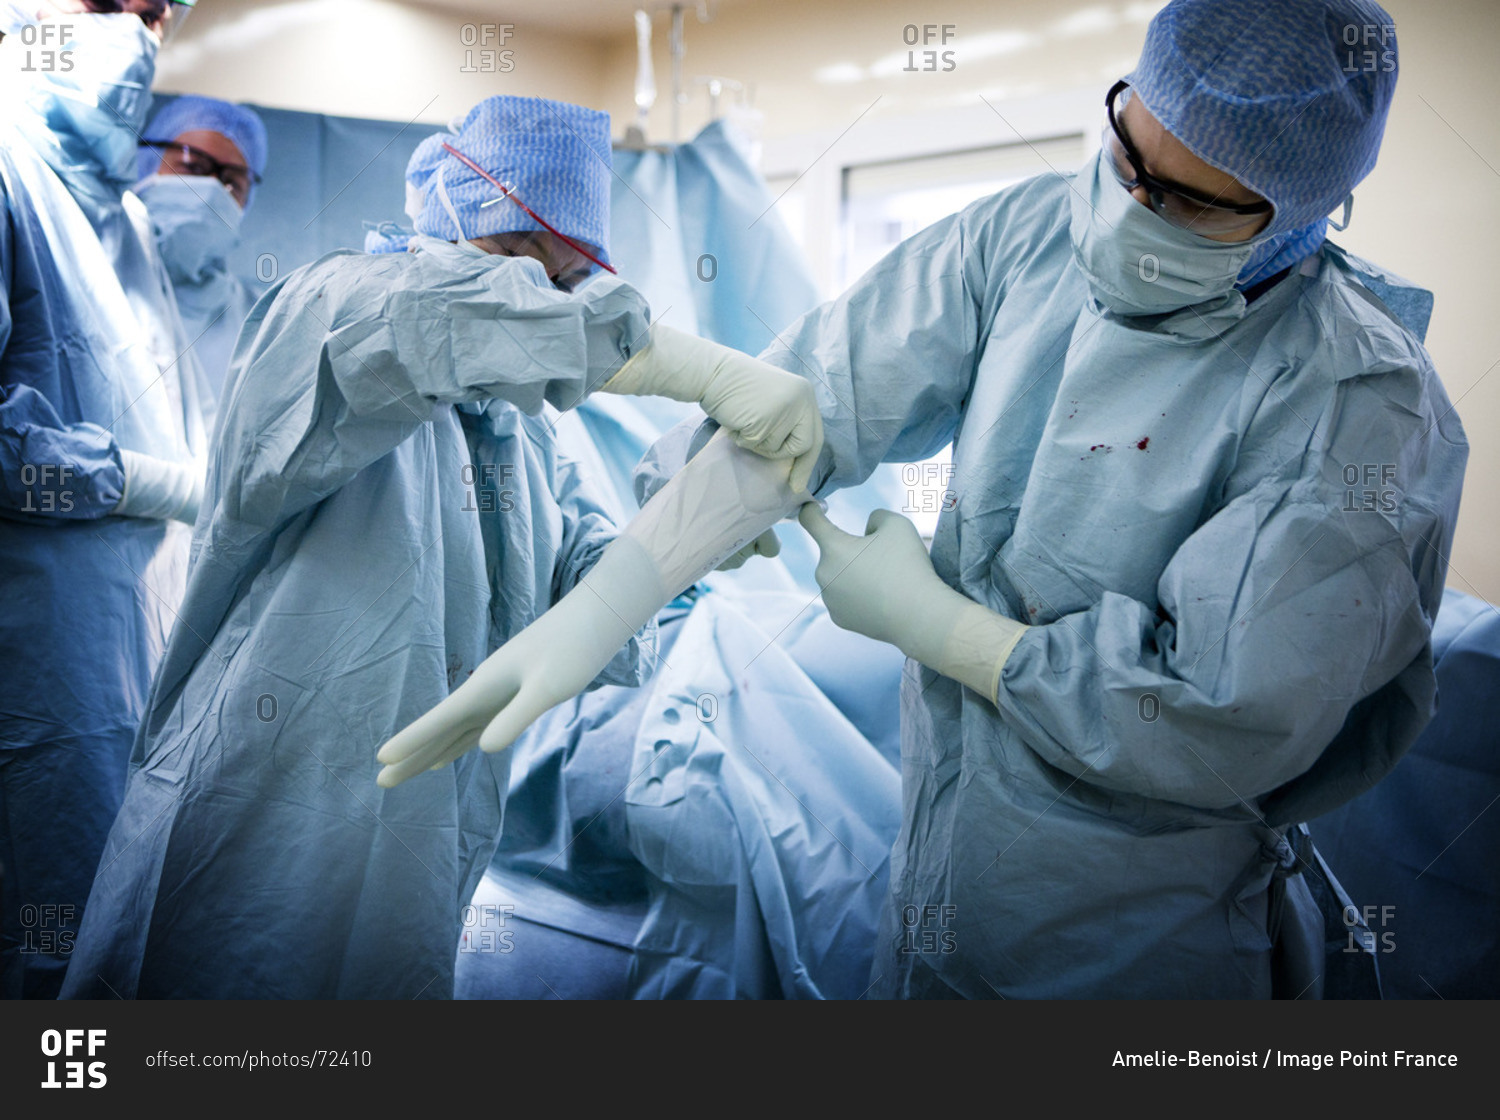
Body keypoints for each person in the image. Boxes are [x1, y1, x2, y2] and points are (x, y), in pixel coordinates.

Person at [379, 0, 1469, 999]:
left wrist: (950, 633)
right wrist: (612, 597)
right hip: (938, 897)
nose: (1131, 207)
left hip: (1140, 945)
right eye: (1126, 153)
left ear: (1301, 212)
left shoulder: (1358, 401)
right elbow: (814, 400)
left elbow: (1221, 715)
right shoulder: (1028, 237)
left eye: (1187, 201)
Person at [60, 93, 822, 999]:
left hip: (419, 855)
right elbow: (442, 319)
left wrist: (693, 527)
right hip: (253, 826)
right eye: (520, 257)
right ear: (455, 212)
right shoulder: (332, 311)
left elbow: (588, 583)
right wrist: (684, 364)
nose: (542, 296)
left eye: (569, 278)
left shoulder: (521, 433)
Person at [0, 0, 206, 998]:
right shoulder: (7, 171)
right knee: (41, 951)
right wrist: (141, 480)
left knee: (122, 957)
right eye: (102, 2)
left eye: (157, 10)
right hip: (36, 684)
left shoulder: (127, 221)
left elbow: (181, 421)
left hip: (139, 674)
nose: (135, 31)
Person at [134, 94, 268, 414]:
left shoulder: (258, 323)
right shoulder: (96, 280)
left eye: (231, 183)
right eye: (193, 168)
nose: (210, 190)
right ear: (146, 163)